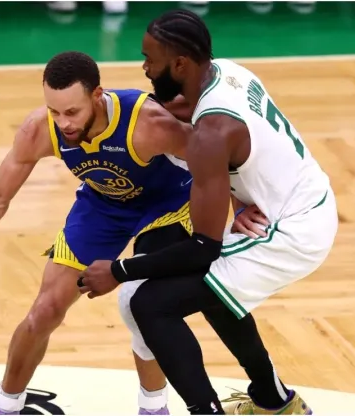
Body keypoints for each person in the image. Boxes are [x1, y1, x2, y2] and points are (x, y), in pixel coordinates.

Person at [0, 51, 197, 415]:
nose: (63, 123)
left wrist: (248, 206)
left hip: (167, 206)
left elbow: (220, 160)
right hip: (105, 205)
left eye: (72, 112)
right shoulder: (40, 130)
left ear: (97, 95)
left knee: (142, 306)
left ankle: (153, 408)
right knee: (44, 310)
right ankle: (5, 407)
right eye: (54, 111)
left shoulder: (149, 123)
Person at [78, 9, 338, 415]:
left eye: (151, 59)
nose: (144, 67)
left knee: (151, 305)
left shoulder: (211, 135)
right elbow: (201, 117)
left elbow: (202, 249)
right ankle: (274, 401)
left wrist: (116, 272)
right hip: (304, 197)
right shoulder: (228, 72)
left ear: (180, 63)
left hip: (292, 231)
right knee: (215, 289)